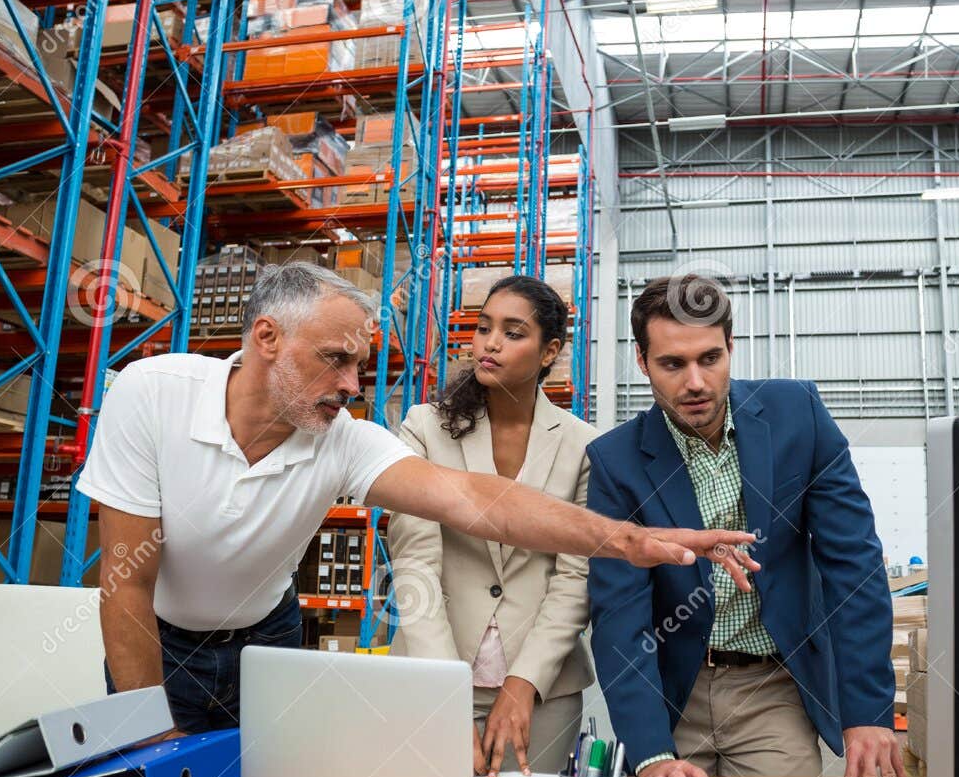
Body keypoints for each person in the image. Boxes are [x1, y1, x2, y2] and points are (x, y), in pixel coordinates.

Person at [76, 262, 757, 735]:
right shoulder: (151, 395)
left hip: (267, 639)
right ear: (267, 338)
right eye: (336, 359)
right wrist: (146, 733)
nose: (352, 384)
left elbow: (472, 497)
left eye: (359, 366)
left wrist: (627, 539)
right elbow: (126, 583)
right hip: (156, 640)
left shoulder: (341, 439)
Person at [586, 273, 903, 777]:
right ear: (642, 363)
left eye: (710, 359)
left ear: (731, 347)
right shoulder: (615, 462)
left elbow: (854, 566)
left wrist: (868, 714)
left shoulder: (797, 415)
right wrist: (650, 751)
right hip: (672, 693)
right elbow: (620, 614)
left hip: (770, 688)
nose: (695, 383)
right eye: (672, 364)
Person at [389, 276, 594, 777]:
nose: (491, 343)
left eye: (513, 332)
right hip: (431, 670)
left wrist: (523, 682)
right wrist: (446, 693)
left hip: (543, 692)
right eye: (483, 329)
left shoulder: (582, 445)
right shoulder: (424, 427)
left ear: (550, 352)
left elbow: (575, 578)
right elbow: (415, 560)